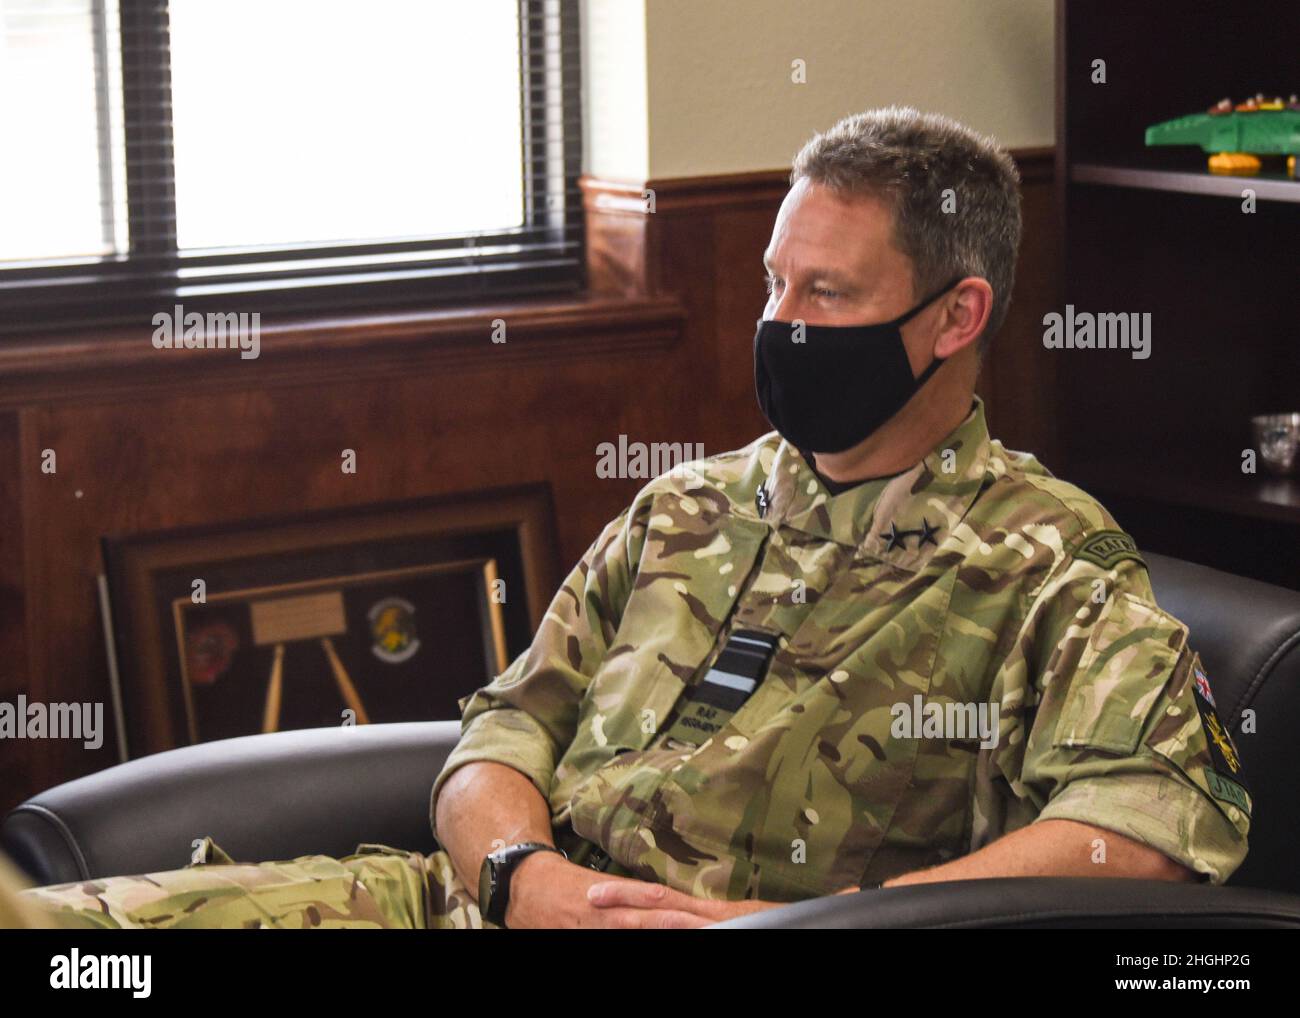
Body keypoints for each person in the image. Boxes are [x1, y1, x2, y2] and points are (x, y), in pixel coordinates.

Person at [16, 107, 1250, 930]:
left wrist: (805, 929)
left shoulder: (1050, 562)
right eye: (774, 280)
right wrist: (519, 873)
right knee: (76, 948)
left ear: (956, 316)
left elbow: (1140, 829)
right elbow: (500, 734)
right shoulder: (685, 506)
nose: (779, 321)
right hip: (464, 911)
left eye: (826, 292)